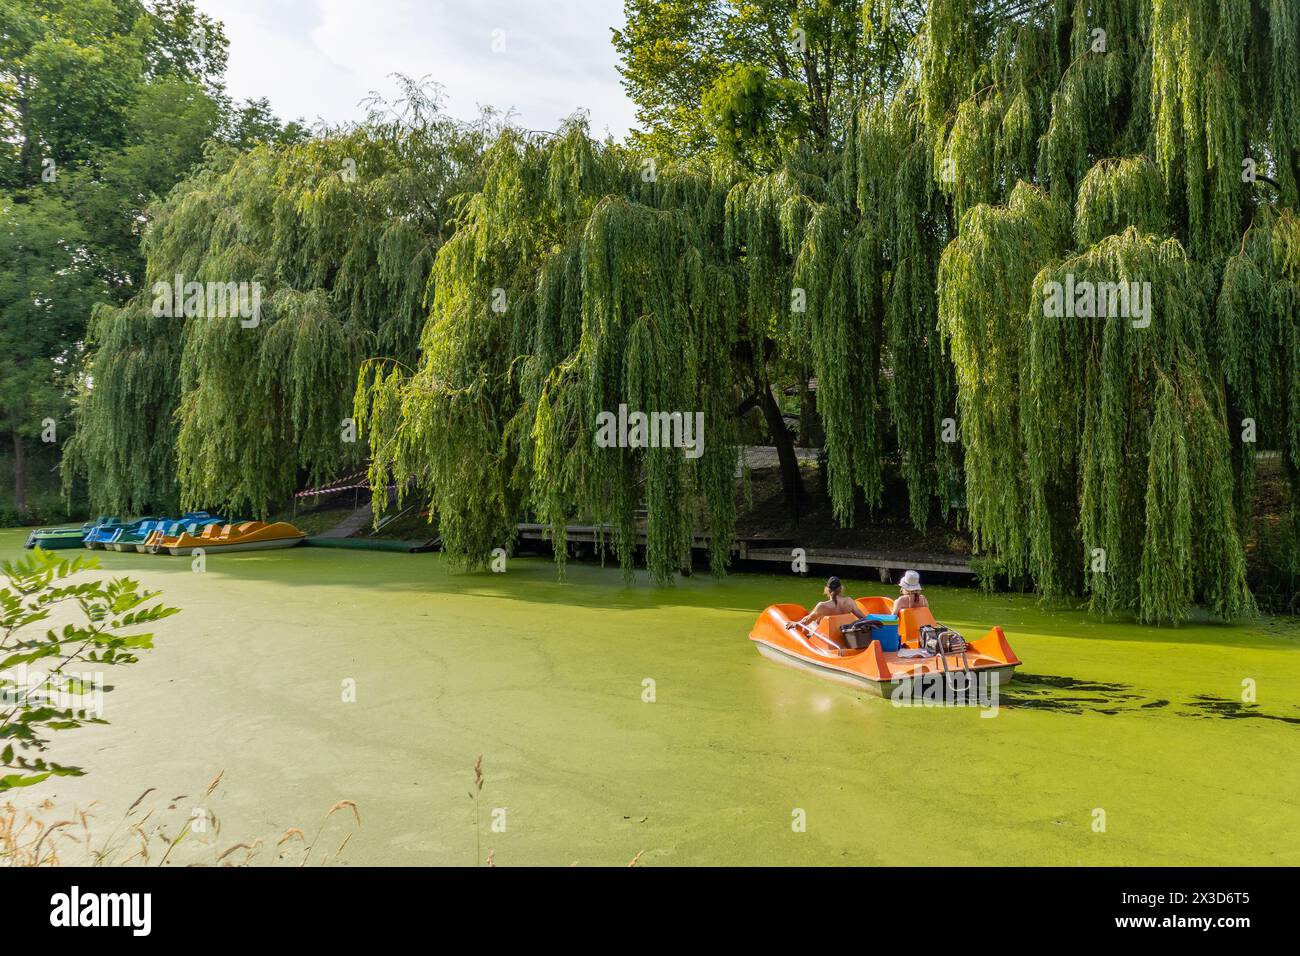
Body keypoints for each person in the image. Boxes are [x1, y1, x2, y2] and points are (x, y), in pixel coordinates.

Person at [785, 576, 868, 632]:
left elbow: (806, 621)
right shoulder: (850, 601)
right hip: (844, 634)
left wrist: (796, 623)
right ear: (841, 588)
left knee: (815, 621)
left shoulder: (822, 606)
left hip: (828, 637)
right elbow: (863, 618)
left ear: (827, 590)